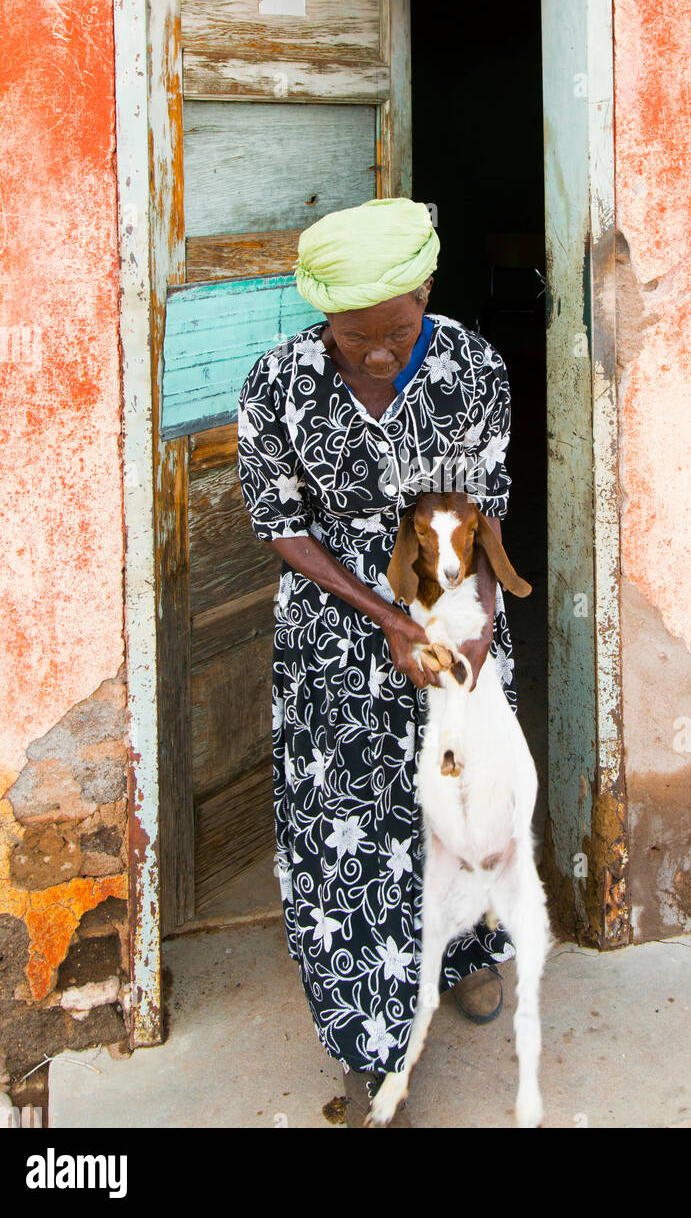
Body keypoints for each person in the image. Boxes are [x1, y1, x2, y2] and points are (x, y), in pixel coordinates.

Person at [237, 197, 520, 1127]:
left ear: (427, 292)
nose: (376, 353)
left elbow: (486, 506)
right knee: (347, 826)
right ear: (323, 317)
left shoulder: (476, 369)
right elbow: (283, 527)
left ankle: (471, 958)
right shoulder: (275, 387)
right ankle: (368, 1037)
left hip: (456, 612)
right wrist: (385, 621)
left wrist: (466, 628)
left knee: (463, 799)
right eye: (354, 337)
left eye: (396, 331)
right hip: (334, 638)